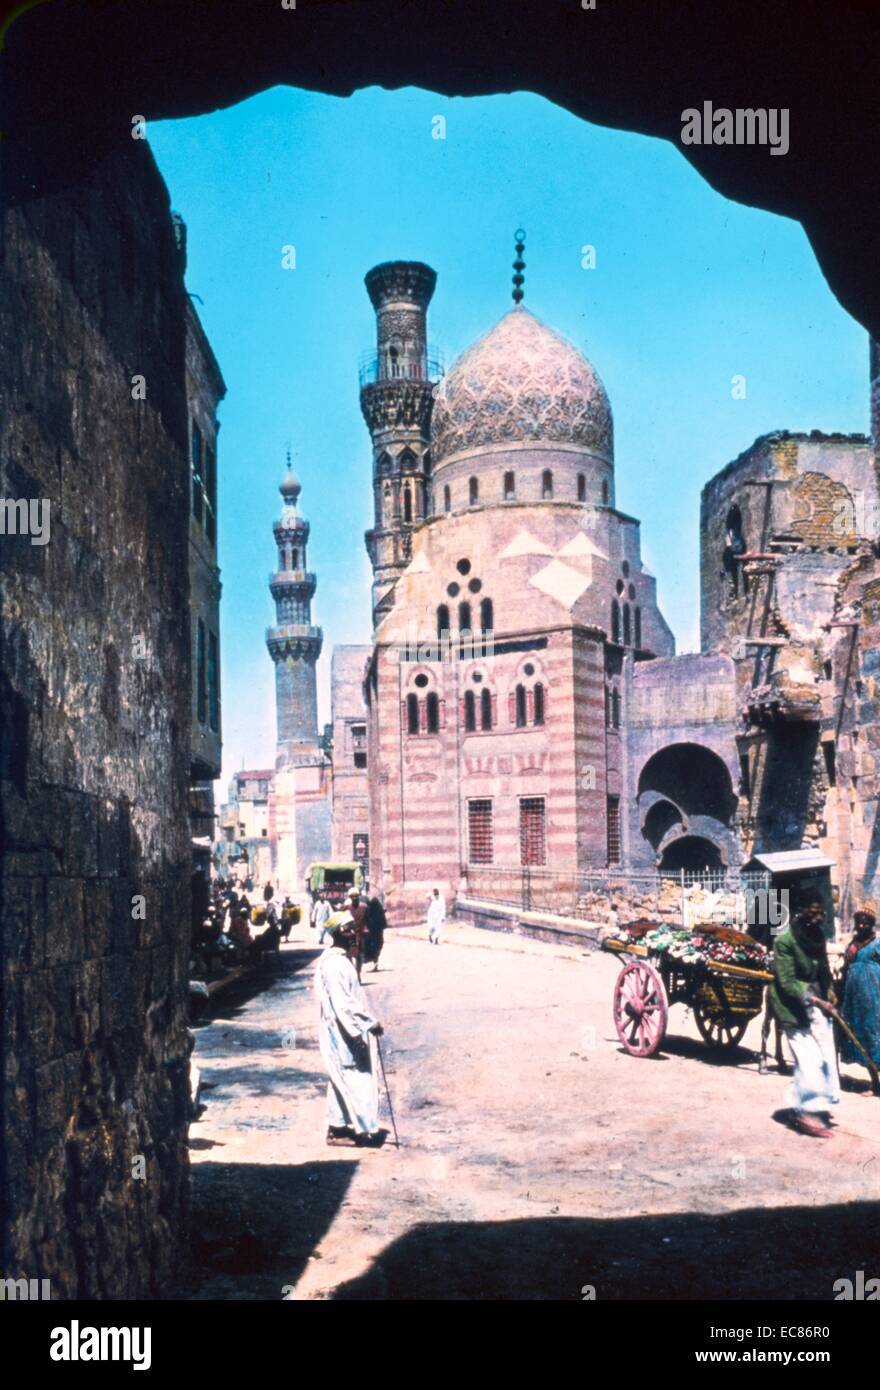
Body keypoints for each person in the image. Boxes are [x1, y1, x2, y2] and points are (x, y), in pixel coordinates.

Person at [769, 898, 840, 1137]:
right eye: (813, 912)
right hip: (791, 1006)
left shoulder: (817, 937)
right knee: (808, 1058)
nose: (818, 918)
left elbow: (824, 970)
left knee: (826, 1055)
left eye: (821, 913)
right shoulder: (784, 941)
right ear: (801, 911)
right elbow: (787, 982)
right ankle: (805, 1112)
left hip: (816, 1004)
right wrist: (815, 999)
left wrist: (830, 992)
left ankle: (818, 1103)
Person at [314, 916, 386, 1147]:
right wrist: (369, 1023)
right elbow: (343, 1002)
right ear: (337, 933)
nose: (354, 933)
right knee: (353, 1077)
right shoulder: (334, 964)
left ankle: (338, 1128)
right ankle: (350, 1129)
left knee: (342, 1078)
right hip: (343, 1032)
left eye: (354, 928)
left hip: (345, 1029)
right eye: (348, 930)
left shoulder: (341, 960)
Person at [840, 904, 880, 1083]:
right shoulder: (851, 945)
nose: (862, 926)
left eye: (866, 923)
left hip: (874, 996)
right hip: (854, 997)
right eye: (859, 922)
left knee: (874, 1033)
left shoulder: (877, 944)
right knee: (860, 1034)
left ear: (872, 924)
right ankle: (875, 1082)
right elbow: (845, 967)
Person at [363, 894, 388, 973]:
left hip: (372, 933)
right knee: (377, 947)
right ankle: (375, 962)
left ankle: (374, 962)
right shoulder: (379, 913)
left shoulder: (370, 911)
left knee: (372, 947)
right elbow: (383, 924)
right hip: (378, 933)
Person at [348, 891, 369, 979]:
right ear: (350, 898)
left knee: (360, 956)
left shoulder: (364, 907)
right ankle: (352, 974)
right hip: (350, 935)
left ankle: (358, 973)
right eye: (352, 897)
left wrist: (366, 928)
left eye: (356, 896)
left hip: (361, 935)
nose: (355, 898)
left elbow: (368, 919)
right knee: (350, 955)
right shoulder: (347, 908)